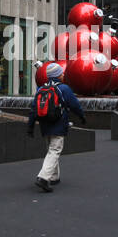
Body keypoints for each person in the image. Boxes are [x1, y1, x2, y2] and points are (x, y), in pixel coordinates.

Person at [28, 62, 86, 192]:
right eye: (61, 73)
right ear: (57, 75)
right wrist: (82, 117)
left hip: (44, 124)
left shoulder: (41, 89)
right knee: (55, 150)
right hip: (58, 125)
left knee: (51, 149)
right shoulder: (63, 88)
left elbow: (33, 109)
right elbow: (75, 105)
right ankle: (43, 178)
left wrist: (30, 126)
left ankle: (53, 178)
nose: (63, 74)